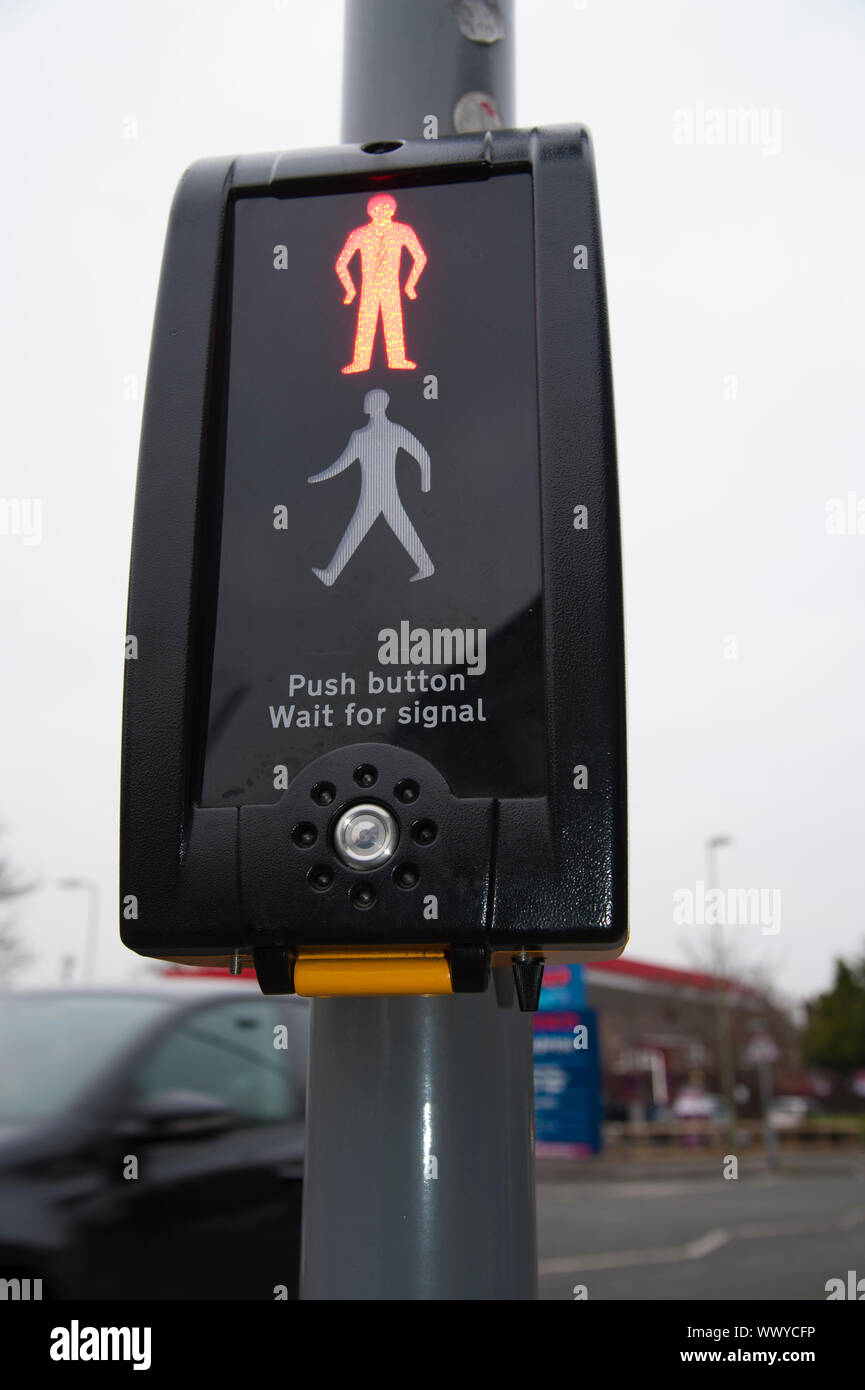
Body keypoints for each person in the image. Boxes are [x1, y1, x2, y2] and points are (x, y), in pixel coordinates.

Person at [308, 388, 434, 586]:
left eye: (369, 401)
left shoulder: (394, 431)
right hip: (372, 496)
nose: (365, 404)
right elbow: (342, 464)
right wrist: (319, 478)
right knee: (360, 532)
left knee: (358, 533)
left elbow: (422, 456)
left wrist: (425, 484)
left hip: (385, 495)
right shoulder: (360, 437)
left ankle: (331, 575)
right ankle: (426, 566)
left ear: (379, 405)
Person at [335, 194, 426, 373]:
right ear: (369, 211)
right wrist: (350, 290)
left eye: (386, 208)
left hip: (391, 286)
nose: (381, 212)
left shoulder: (403, 231)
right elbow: (341, 264)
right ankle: (360, 363)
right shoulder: (360, 234)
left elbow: (420, 258)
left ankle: (398, 359)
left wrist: (410, 285)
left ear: (393, 210)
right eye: (377, 208)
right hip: (368, 287)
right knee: (366, 325)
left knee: (393, 321)